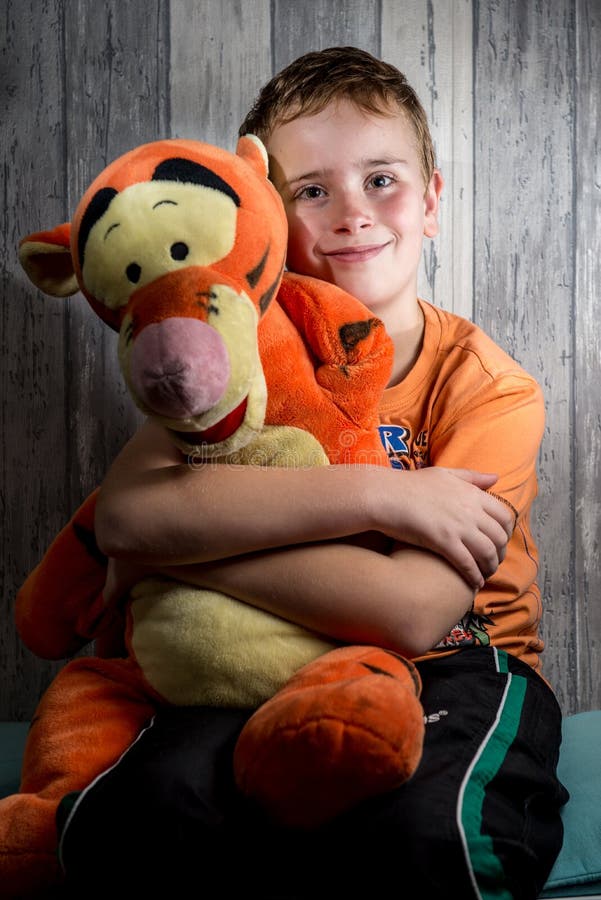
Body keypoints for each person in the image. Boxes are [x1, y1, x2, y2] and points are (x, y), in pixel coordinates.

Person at [58, 46, 567, 900]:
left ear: (431, 201)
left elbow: (409, 610)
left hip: (458, 663)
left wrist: (182, 546)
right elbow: (129, 515)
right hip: (273, 658)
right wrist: (387, 494)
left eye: (381, 179)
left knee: (419, 835)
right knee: (149, 810)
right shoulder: (233, 353)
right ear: (265, 209)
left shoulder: (487, 387)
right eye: (310, 190)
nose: (351, 215)